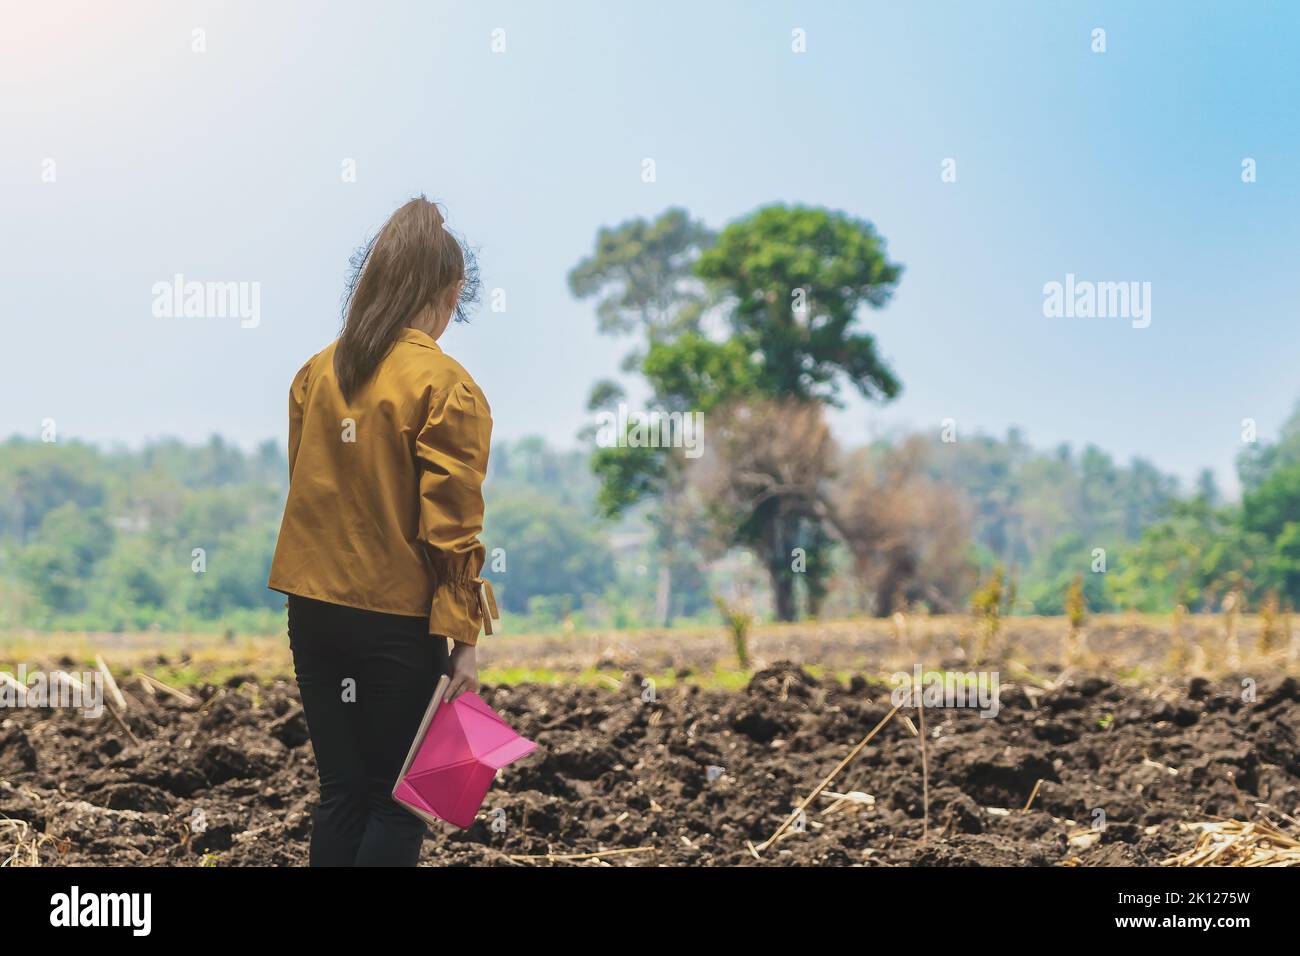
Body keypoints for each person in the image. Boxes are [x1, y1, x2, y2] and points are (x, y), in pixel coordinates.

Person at [267, 196, 496, 866]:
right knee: (399, 803)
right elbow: (451, 526)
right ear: (451, 294)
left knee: (342, 793)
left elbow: (309, 491)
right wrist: (463, 643)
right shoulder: (446, 386)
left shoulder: (316, 373)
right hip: (394, 620)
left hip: (311, 613)